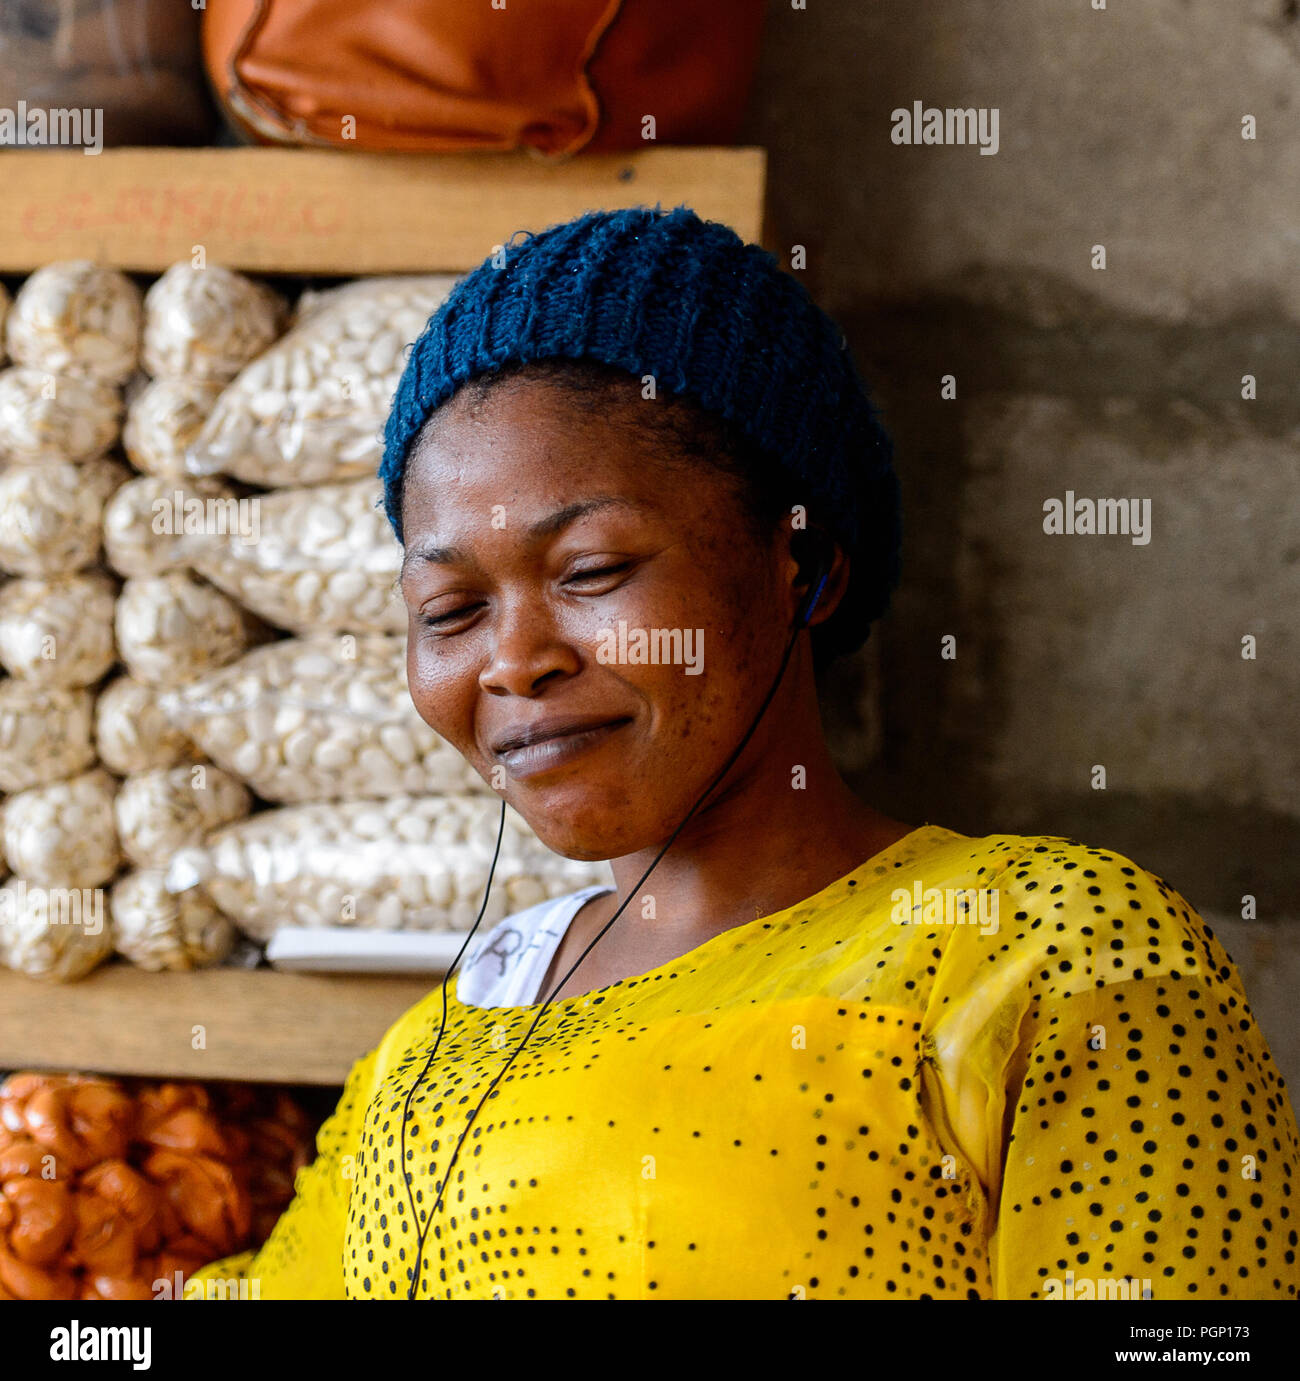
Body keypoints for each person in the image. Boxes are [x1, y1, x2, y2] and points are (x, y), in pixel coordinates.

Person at [191, 204, 1299, 1300]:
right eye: (448, 608)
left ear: (803, 567)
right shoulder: (444, 1042)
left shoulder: (1047, 954)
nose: (511, 660)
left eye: (588, 571)